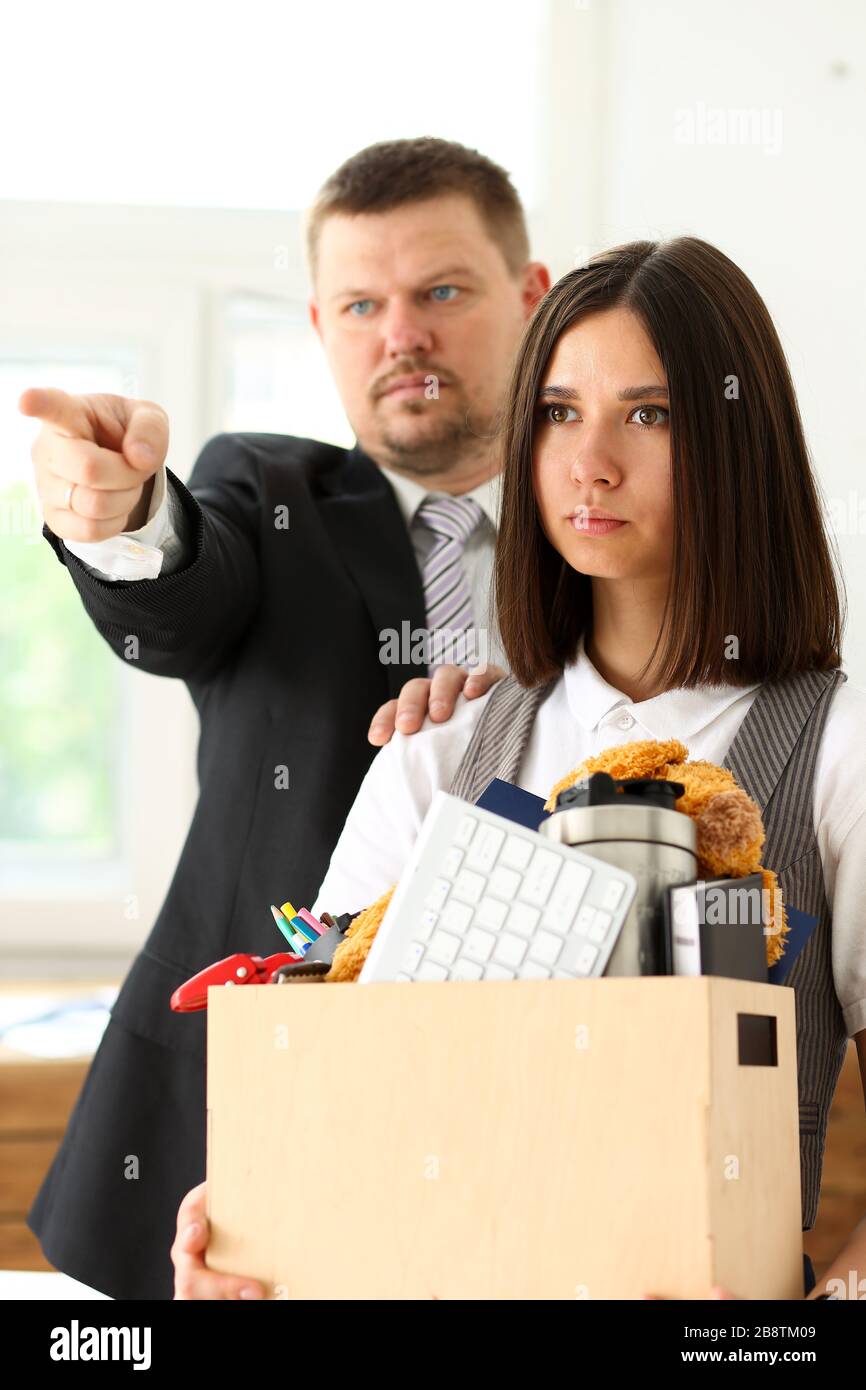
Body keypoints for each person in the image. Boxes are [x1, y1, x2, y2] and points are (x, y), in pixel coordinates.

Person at [172, 236, 866, 1300]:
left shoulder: (837, 753)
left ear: (739, 439)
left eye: (649, 413)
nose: (588, 461)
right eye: (554, 412)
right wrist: (243, 1234)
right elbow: (322, 1102)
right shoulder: (438, 750)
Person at [19, 136, 549, 1299]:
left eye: (441, 292)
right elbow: (182, 590)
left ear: (530, 298)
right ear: (321, 328)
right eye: (361, 302)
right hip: (237, 1127)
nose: (399, 332)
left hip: (538, 1115)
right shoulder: (268, 497)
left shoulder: (611, 526)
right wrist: (121, 520)